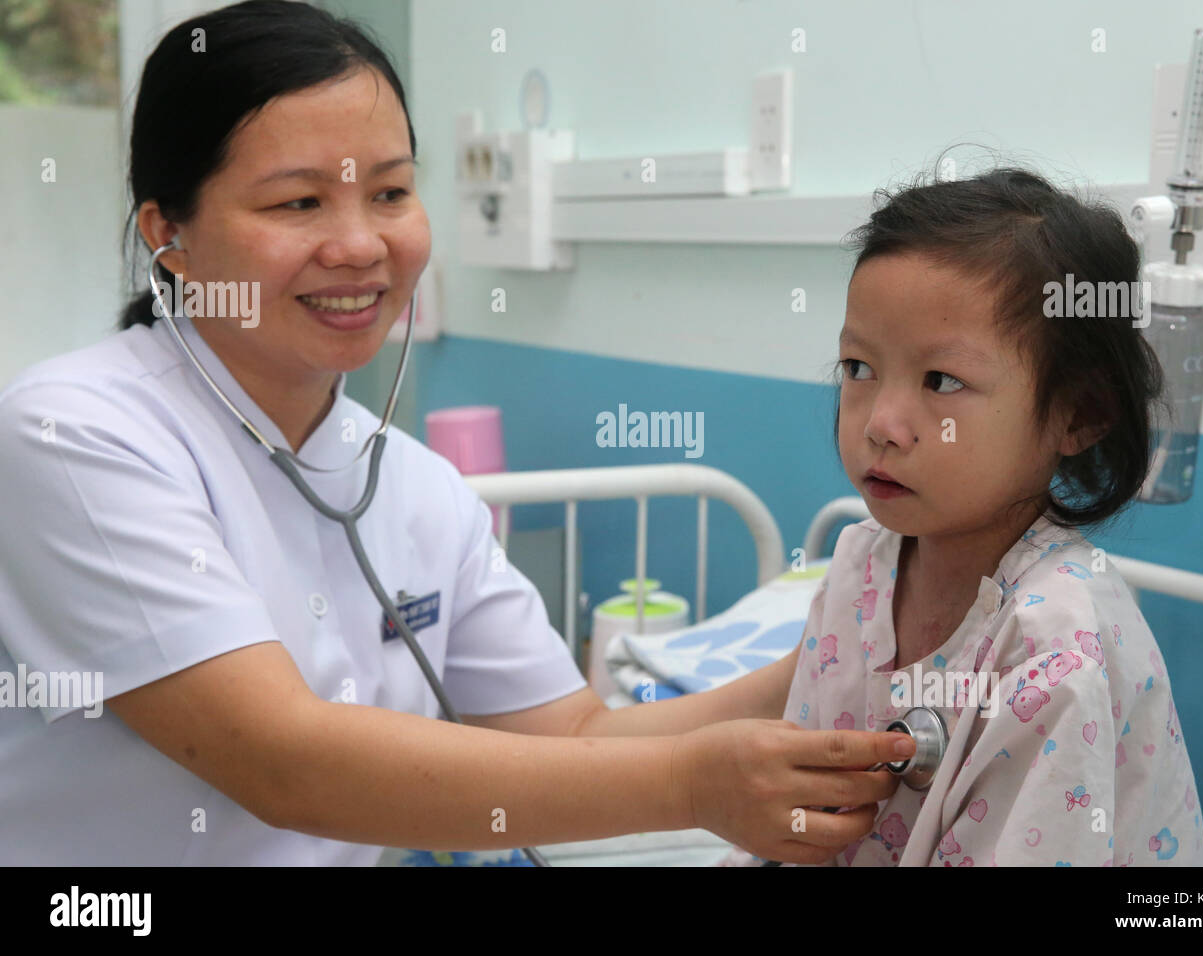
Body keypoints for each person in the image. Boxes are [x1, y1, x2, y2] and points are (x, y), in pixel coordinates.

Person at [0, 0, 911, 865]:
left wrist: (842, 647)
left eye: (390, 192)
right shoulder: (75, 436)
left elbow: (573, 735)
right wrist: (691, 785)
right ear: (170, 235)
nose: (360, 245)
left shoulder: (412, 485)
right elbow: (284, 763)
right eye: (297, 204)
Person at [780, 166, 1203, 866]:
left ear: (1079, 415)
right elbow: (797, 808)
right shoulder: (862, 563)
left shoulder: (1055, 648)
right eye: (858, 367)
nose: (882, 424)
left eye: (942, 381)